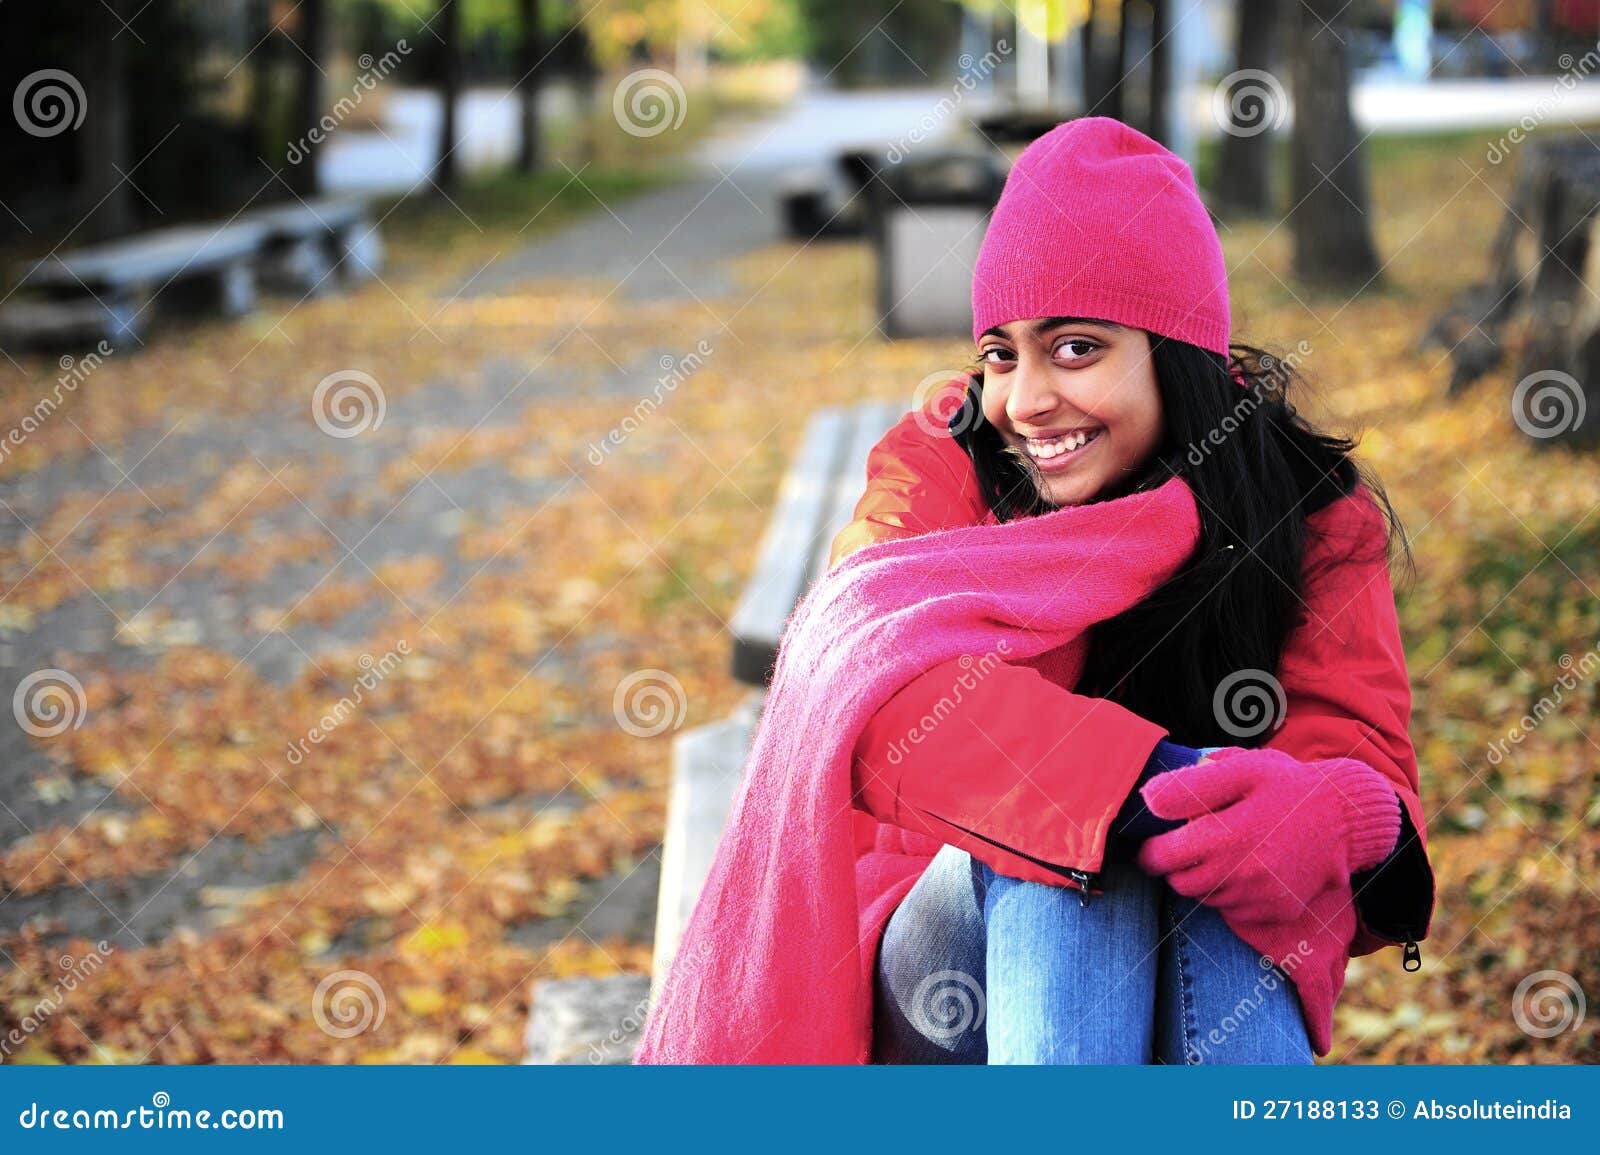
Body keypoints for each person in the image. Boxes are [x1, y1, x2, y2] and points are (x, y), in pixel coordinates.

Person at [832, 116, 1436, 1064]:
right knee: (1065, 845)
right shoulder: (942, 462)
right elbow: (868, 686)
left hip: (1191, 958)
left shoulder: (1309, 510)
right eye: (1002, 352)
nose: (1024, 401)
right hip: (937, 982)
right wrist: (1152, 788)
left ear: (1178, 351)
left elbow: (1357, 752)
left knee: (1224, 868)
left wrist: (1327, 813)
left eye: (1075, 348)